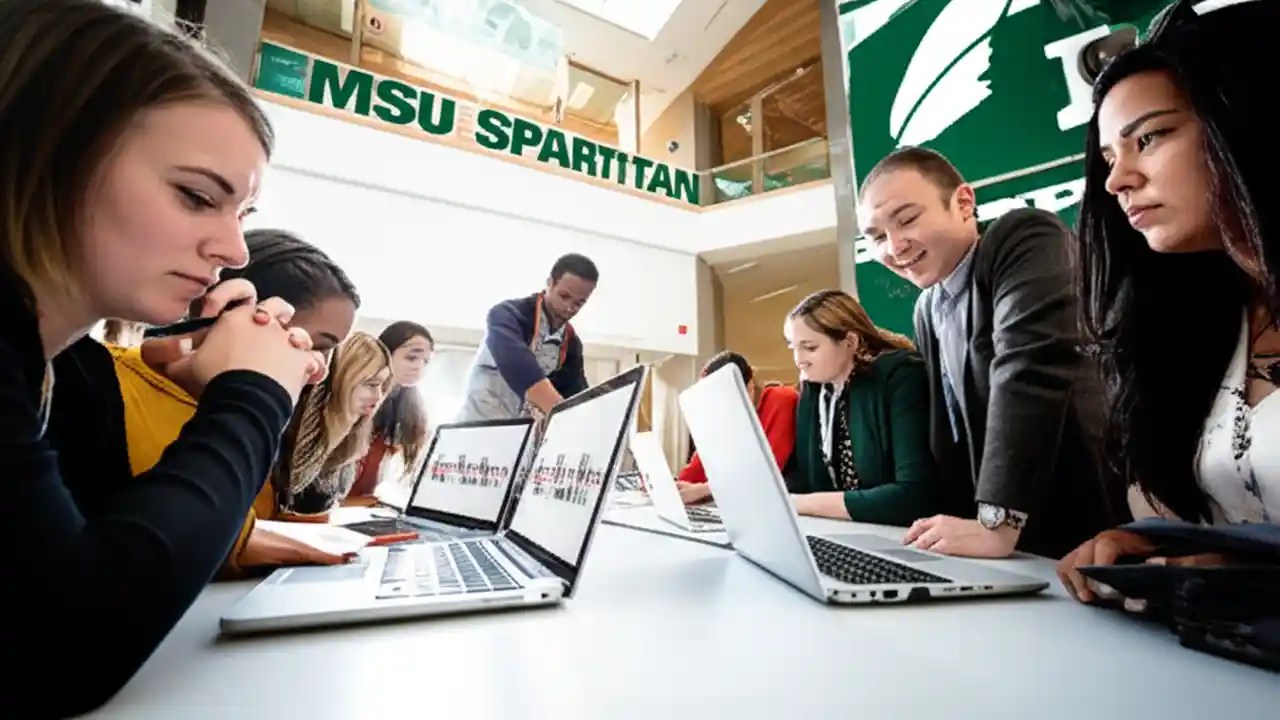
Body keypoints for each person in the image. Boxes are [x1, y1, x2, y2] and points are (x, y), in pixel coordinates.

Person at [0, 2, 325, 714]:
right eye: (196, 196)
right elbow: (63, 646)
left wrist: (175, 371)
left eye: (242, 216)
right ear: (50, 148)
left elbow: (81, 536)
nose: (235, 251)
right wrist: (252, 395)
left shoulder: (58, 366)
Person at [1057, 0, 1279, 601]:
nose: (1116, 180)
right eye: (1108, 158)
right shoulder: (1198, 325)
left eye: (1148, 138)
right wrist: (1163, 543)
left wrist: (1255, 580)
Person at [859, 146, 1118, 558]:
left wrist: (998, 520)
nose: (894, 246)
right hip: (999, 546)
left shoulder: (1024, 237)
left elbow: (1029, 367)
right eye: (875, 237)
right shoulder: (927, 308)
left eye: (907, 219)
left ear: (963, 203)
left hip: (1081, 526)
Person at [111, 228, 362, 571]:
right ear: (236, 310)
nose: (319, 369)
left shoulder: (273, 416)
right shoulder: (105, 383)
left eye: (330, 352)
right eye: (318, 344)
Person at [785, 290, 945, 524]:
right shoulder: (814, 389)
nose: (799, 360)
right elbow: (804, 479)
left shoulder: (900, 376)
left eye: (810, 348)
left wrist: (799, 503)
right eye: (793, 348)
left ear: (850, 342)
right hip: (845, 529)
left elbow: (914, 495)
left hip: (906, 531)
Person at [457, 253, 595, 422]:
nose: (569, 308)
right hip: (475, 428)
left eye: (578, 303)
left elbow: (578, 396)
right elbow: (518, 365)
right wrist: (563, 418)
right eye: (564, 296)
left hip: (517, 437)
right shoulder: (506, 315)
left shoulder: (571, 343)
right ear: (550, 283)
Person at [271, 331, 394, 519]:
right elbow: (287, 498)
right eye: (371, 384)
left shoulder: (354, 437)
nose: (378, 397)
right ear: (343, 380)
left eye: (383, 386)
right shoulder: (293, 429)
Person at [675, 351, 798, 505]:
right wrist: (673, 486)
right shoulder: (724, 414)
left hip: (779, 503)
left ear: (750, 386)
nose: (723, 408)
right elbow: (697, 469)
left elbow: (766, 473)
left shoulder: (781, 400)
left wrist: (703, 490)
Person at [349, 320, 434, 502]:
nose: (419, 366)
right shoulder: (356, 397)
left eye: (425, 361)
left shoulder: (414, 413)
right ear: (385, 353)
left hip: (368, 503)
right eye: (412, 358)